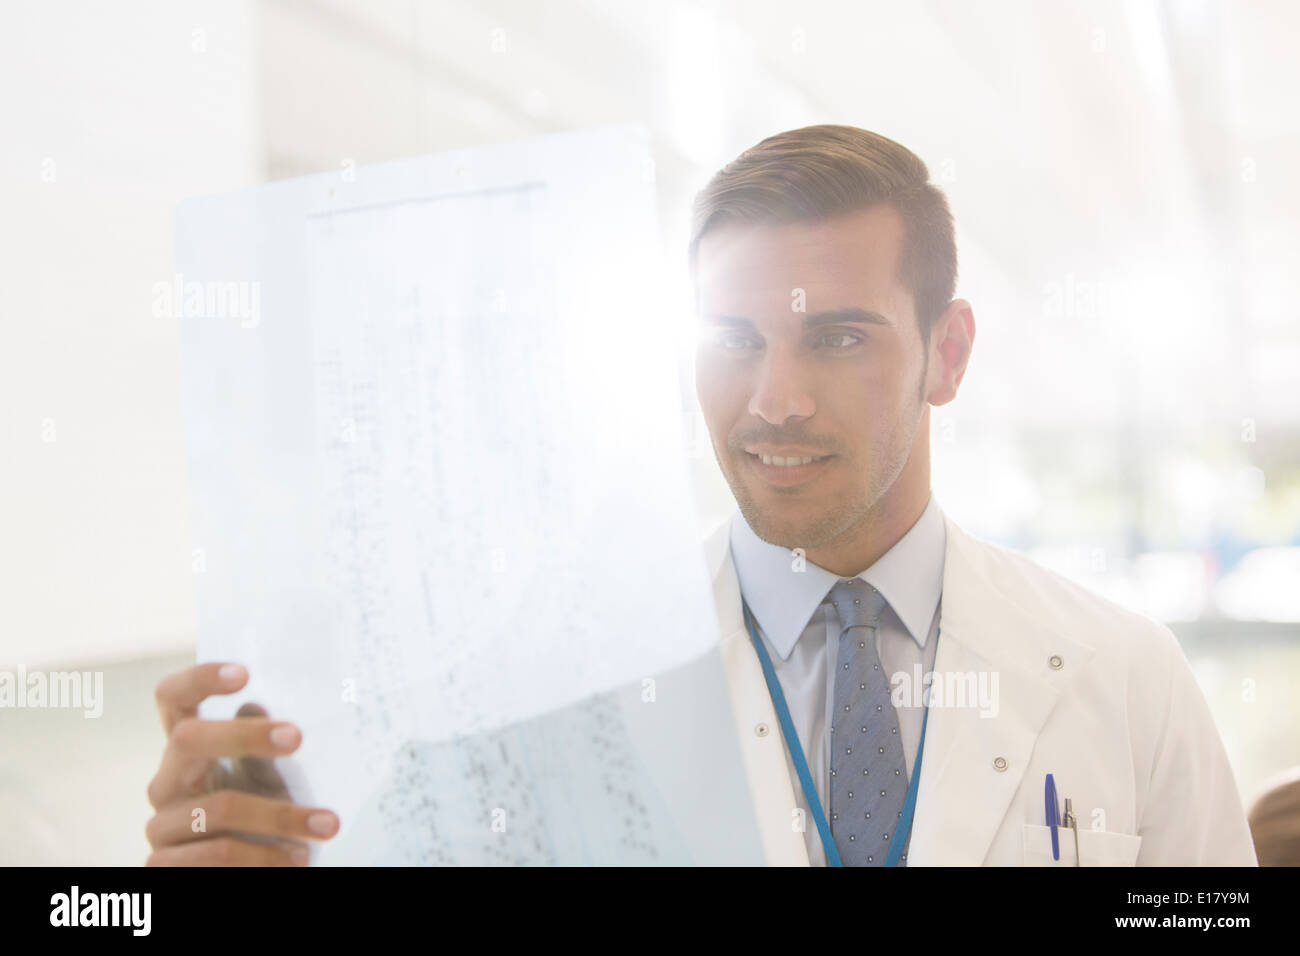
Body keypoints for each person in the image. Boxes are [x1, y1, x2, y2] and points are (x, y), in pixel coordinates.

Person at [145, 124, 1258, 866]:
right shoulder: (551, 685)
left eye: (835, 336)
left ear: (946, 352)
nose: (774, 400)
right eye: (731, 338)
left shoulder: (1124, 678)